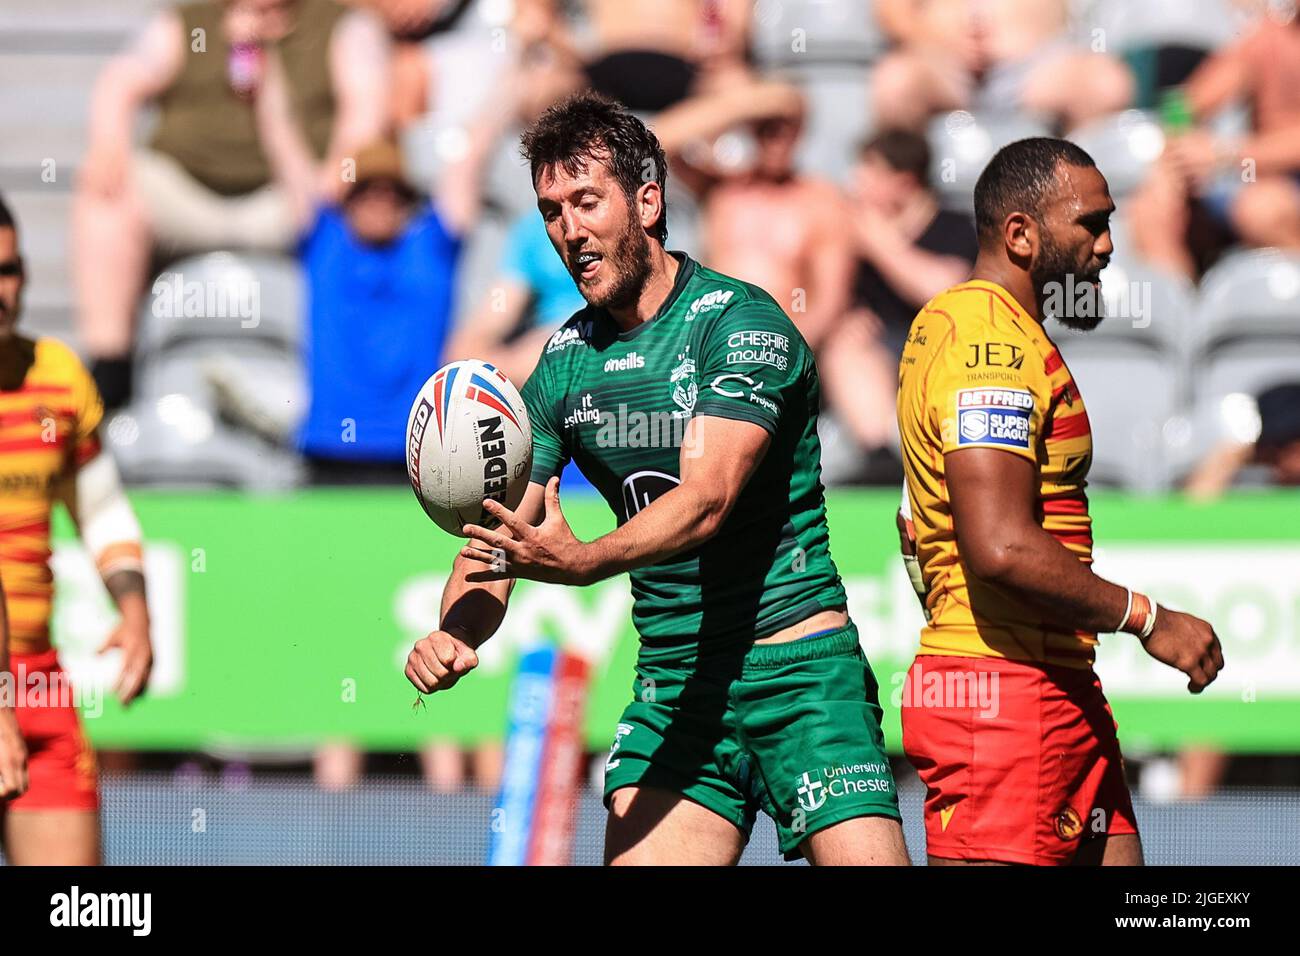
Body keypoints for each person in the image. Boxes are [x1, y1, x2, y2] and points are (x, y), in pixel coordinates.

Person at [404, 93, 909, 866]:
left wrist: (585, 561)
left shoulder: (738, 323)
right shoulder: (564, 366)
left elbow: (706, 501)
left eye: (585, 201)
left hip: (802, 673)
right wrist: (456, 630)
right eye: (550, 211)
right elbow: (496, 544)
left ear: (646, 202)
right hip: (676, 689)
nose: (569, 230)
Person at [894, 138, 1224, 865]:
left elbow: (928, 526)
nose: (1108, 246)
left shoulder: (972, 328)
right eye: (1091, 224)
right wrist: (1148, 618)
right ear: (1020, 234)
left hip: (1052, 688)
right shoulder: (989, 346)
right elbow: (1000, 544)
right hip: (1004, 702)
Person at [72, 0, 391, 408]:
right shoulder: (189, 25)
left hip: (284, 200)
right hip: (187, 192)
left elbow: (360, 136)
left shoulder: (342, 28)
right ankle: (111, 369)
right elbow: (119, 82)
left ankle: (340, 395)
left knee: (337, 213)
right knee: (106, 194)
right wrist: (108, 143)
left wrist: (270, 82)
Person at [0, 196, 155, 865]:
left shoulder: (57, 379)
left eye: (6, 270)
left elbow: (99, 508)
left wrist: (134, 608)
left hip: (36, 680)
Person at [822, 128, 978, 471]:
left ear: (904, 182)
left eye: (870, 171)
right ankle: (884, 460)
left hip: (942, 349)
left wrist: (878, 240)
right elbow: (822, 291)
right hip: (877, 348)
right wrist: (845, 316)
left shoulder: (954, 227)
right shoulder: (845, 231)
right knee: (845, 349)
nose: (856, 180)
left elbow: (942, 291)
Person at [1128, 10, 1300, 279]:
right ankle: (1183, 314)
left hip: (1275, 187)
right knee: (1151, 212)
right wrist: (1171, 156)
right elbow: (1182, 103)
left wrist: (1226, 154)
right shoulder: (1269, 36)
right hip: (1255, 179)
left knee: (1261, 210)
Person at [872, 0, 1133, 133]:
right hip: (945, 69)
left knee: (1105, 85)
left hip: (1038, 68)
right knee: (895, 85)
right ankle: (913, 216)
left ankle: (1076, 206)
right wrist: (942, 40)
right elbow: (893, 11)